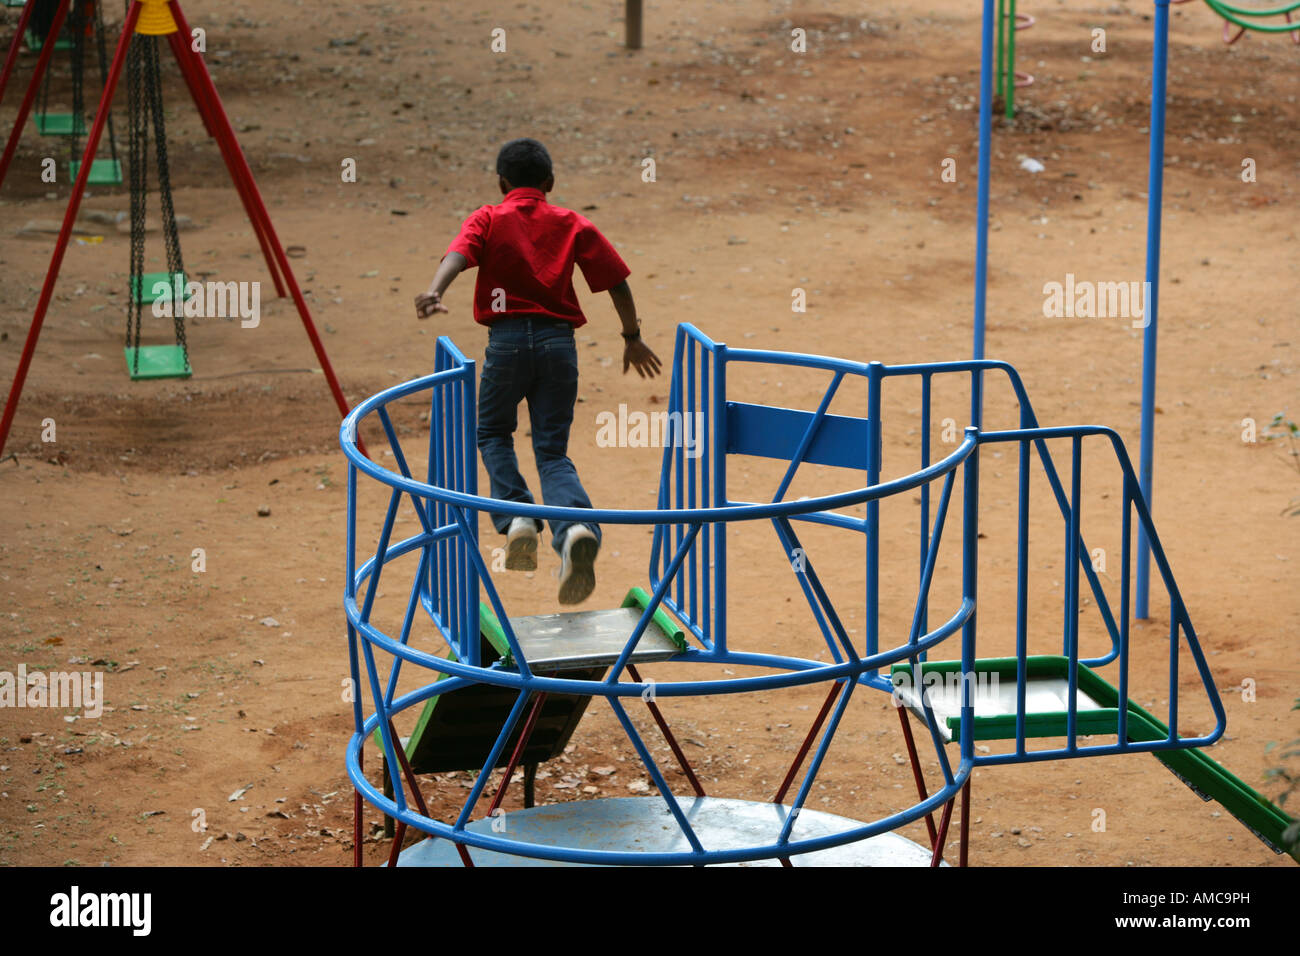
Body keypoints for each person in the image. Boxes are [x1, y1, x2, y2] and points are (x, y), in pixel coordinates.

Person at [416, 138, 661, 605]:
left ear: (501, 182)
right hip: (558, 346)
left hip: (506, 345)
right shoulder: (571, 222)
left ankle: (518, 519)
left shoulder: (488, 216)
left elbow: (459, 254)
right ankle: (573, 532)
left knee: (491, 433)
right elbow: (615, 282)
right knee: (552, 452)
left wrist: (434, 290)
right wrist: (631, 337)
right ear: (549, 183)